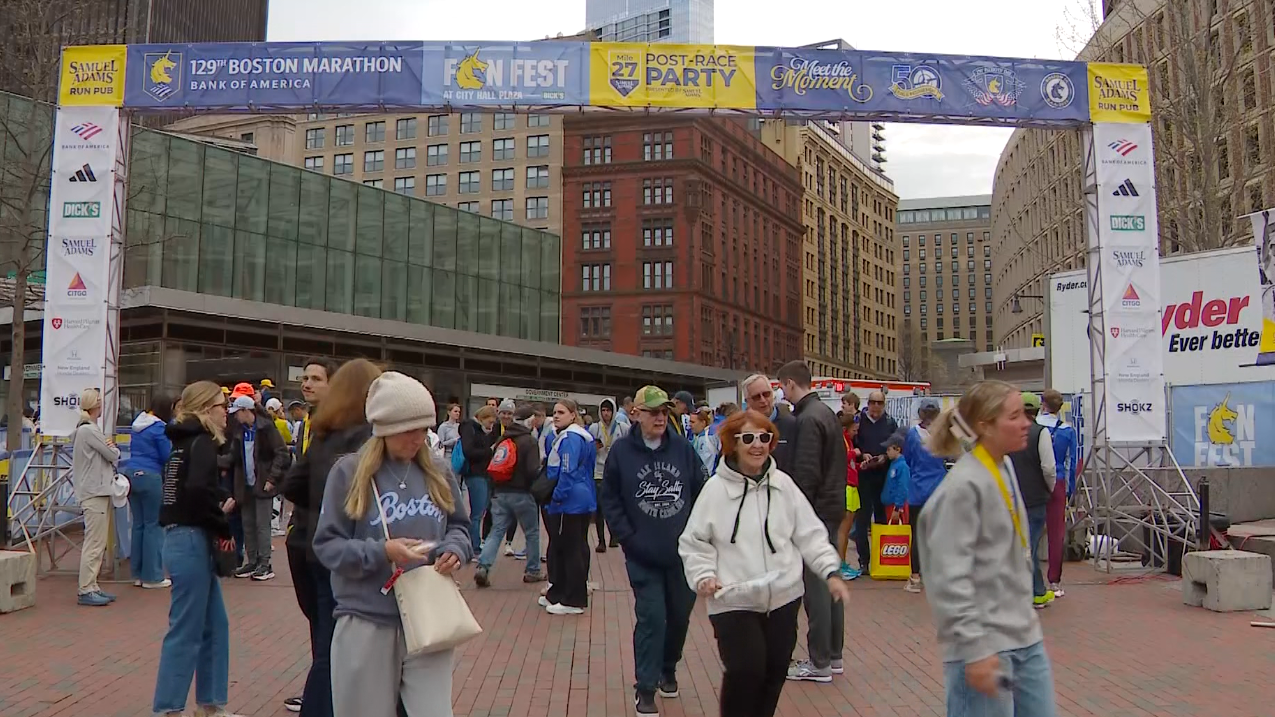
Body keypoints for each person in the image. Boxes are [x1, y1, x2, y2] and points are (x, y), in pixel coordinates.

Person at [312, 371, 472, 717]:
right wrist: (381, 551)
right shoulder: (349, 473)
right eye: (408, 430)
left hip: (429, 614)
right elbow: (327, 545)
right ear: (383, 427)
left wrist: (454, 550)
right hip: (366, 617)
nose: (418, 438)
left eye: (424, 428)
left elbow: (460, 527)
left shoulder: (438, 472)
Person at [679, 409, 852, 717]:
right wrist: (703, 574)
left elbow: (810, 533)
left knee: (774, 672)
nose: (757, 445)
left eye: (764, 437)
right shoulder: (715, 490)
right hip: (733, 598)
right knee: (746, 670)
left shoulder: (784, 485)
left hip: (783, 597)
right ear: (733, 443)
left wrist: (830, 570)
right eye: (748, 438)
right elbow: (694, 541)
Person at [918, 380, 1056, 716]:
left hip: (1022, 634)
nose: (1026, 422)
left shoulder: (1003, 465)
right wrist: (974, 648)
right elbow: (948, 575)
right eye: (1014, 416)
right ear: (985, 426)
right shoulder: (964, 486)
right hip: (982, 643)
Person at [600, 386, 707, 716]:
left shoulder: (682, 448)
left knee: (678, 617)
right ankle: (645, 687)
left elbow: (701, 491)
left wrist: (697, 535)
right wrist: (628, 537)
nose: (660, 417)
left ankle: (667, 668)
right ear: (637, 414)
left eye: (665, 412)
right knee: (651, 619)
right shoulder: (621, 452)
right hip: (642, 554)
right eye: (654, 412)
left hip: (681, 555)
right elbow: (611, 498)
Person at [152, 381, 239, 717]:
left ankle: (210, 704)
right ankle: (168, 709)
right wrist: (221, 521)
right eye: (222, 406)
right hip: (191, 538)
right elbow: (200, 489)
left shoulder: (181, 443)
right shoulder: (202, 442)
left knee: (214, 624)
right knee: (187, 629)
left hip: (179, 537)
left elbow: (188, 487)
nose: (226, 412)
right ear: (205, 409)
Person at [775, 361, 849, 684]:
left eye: (781, 386)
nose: (782, 393)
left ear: (791, 384)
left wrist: (796, 518)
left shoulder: (806, 419)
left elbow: (805, 474)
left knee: (816, 588)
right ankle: (833, 656)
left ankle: (818, 660)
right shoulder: (826, 414)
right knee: (829, 580)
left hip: (815, 511)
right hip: (833, 506)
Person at [475, 405, 545, 587]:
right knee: (531, 532)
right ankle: (533, 570)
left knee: (496, 531)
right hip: (522, 493)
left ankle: (483, 566)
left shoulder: (502, 439)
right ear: (530, 420)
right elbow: (531, 470)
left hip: (501, 493)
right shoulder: (528, 441)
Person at [542, 399, 597, 615]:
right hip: (580, 496)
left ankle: (573, 599)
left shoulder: (571, 438)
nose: (556, 416)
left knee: (569, 548)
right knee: (574, 547)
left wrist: (557, 496)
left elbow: (567, 469)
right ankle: (562, 592)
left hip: (570, 500)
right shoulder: (580, 437)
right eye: (554, 412)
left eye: (561, 412)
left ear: (573, 415)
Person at [227, 395, 289, 581]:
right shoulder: (239, 431)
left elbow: (282, 453)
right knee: (248, 525)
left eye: (238, 412)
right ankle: (252, 560)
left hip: (263, 483)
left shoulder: (266, 428)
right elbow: (233, 457)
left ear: (246, 411)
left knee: (262, 526)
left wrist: (271, 478)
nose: (235, 416)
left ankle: (265, 563)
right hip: (245, 484)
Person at [72, 388, 121, 607]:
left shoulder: (85, 430)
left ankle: (91, 585)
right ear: (95, 406)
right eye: (99, 402)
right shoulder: (90, 431)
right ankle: (86, 588)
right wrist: (114, 449)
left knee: (97, 542)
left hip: (94, 490)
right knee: (94, 542)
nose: (102, 406)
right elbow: (112, 454)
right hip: (95, 492)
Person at [1008, 392, 1057, 609]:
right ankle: (1036, 592)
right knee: (1031, 546)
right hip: (1034, 497)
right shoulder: (1040, 433)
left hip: (1009, 497)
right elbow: (1048, 467)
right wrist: (1050, 487)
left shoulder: (1007, 433)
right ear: (1038, 410)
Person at [126, 393, 176, 590]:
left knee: (138, 525)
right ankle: (153, 576)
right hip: (151, 475)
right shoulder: (159, 428)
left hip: (131, 473)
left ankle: (137, 574)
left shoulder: (137, 425)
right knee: (154, 526)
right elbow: (167, 455)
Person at [904, 399, 948, 594]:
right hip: (939, 487)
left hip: (918, 489)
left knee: (917, 534)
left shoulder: (913, 435)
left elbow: (908, 459)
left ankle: (915, 577)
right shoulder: (944, 434)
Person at [854, 390, 899, 578]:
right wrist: (862, 454)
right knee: (862, 520)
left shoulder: (890, 423)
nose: (875, 406)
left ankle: (881, 558)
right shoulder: (859, 421)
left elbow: (896, 446)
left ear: (884, 404)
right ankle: (864, 561)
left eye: (879, 403)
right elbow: (852, 441)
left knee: (881, 519)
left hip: (882, 476)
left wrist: (884, 457)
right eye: (872, 402)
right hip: (863, 476)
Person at [1037, 389, 1077, 598]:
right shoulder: (1067, 431)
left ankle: (1031, 580)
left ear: (1043, 404)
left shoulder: (1033, 427)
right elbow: (1072, 462)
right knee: (1056, 532)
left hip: (1036, 482)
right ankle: (1054, 580)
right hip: (1058, 481)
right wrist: (1070, 490)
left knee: (1031, 530)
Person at [589, 398, 628, 552]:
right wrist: (594, 447)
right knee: (600, 507)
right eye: (603, 410)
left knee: (615, 505)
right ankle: (601, 541)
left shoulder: (623, 427)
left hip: (616, 471)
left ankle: (613, 536)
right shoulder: (594, 428)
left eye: (609, 410)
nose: (606, 414)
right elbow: (588, 448)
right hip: (599, 470)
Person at [458, 406, 497, 556]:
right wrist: (489, 451)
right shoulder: (470, 428)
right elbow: (469, 451)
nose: (490, 425)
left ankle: (475, 542)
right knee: (477, 512)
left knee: (481, 510)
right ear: (483, 417)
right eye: (490, 422)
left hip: (483, 474)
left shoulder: (480, 430)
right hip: (475, 474)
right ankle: (473, 545)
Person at [740, 374, 796, 473]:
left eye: (766, 394)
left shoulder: (792, 424)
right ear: (747, 401)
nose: (763, 400)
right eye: (756, 397)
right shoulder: (739, 429)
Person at [836, 412, 862, 580]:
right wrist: (854, 453)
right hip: (845, 487)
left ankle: (843, 562)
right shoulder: (840, 441)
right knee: (843, 530)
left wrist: (861, 465)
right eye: (854, 430)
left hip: (853, 487)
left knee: (847, 528)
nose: (856, 433)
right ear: (845, 429)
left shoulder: (849, 441)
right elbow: (840, 458)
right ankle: (839, 564)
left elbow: (851, 464)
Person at [881, 436, 910, 520]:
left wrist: (898, 507)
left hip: (897, 506)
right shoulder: (893, 464)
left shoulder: (902, 466)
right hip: (890, 504)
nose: (886, 452)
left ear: (898, 450)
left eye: (889, 449)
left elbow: (903, 487)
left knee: (897, 531)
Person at [690, 406, 721, 473]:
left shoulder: (711, 437)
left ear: (703, 423)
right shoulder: (696, 438)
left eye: (693, 422)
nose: (690, 425)